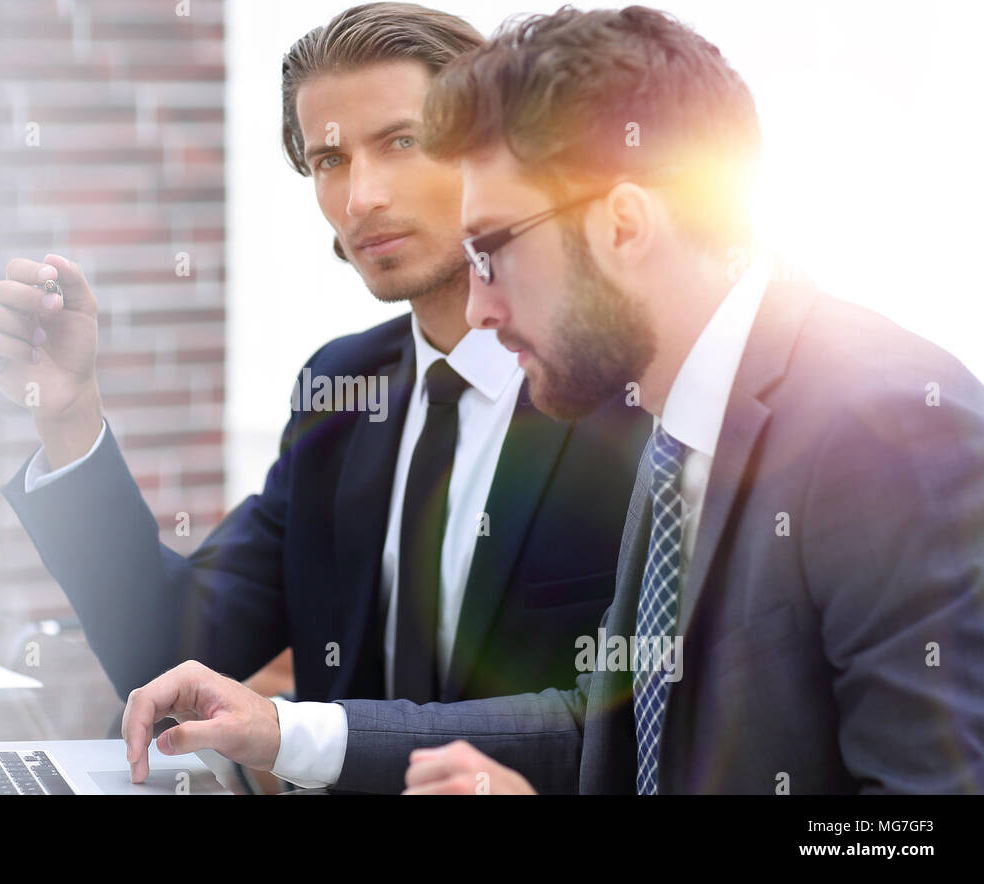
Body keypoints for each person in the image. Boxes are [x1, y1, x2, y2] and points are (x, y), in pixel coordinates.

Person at [120, 5, 984, 795]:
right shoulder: (679, 423)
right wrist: (287, 732)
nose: (480, 309)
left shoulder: (885, 426)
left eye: (493, 248)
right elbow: (602, 734)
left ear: (623, 227)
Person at [0, 2, 649, 790]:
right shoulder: (342, 389)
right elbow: (165, 650)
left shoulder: (628, 399)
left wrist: (290, 732)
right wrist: (69, 416)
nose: (361, 196)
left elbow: (620, 730)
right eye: (330, 159)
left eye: (402, 142)